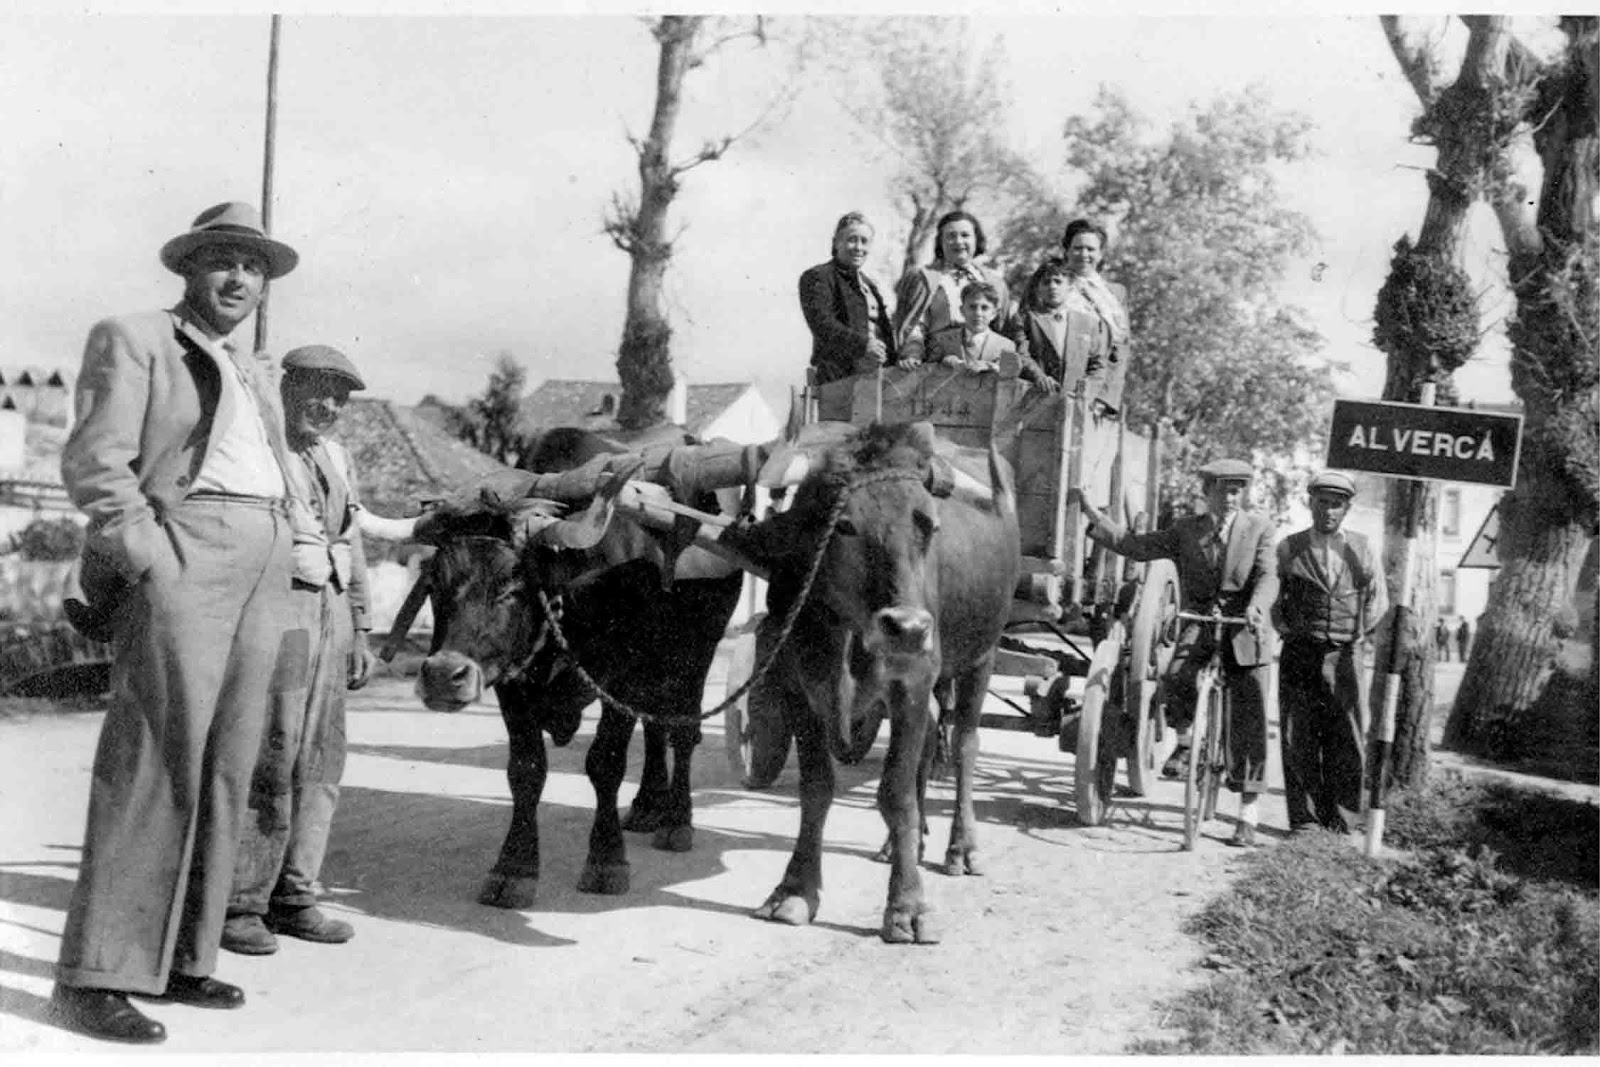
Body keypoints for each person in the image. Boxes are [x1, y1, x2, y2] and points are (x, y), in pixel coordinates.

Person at [52, 202, 307, 1044]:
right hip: (188, 549)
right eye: (223, 261)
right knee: (156, 753)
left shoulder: (249, 367)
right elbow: (97, 461)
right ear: (189, 270)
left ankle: (186, 956)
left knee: (231, 760)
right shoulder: (135, 337)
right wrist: (150, 555)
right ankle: (101, 972)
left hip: (266, 558)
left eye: (253, 266)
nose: (239, 278)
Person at [222, 345, 375, 956]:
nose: (329, 406)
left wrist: (361, 626)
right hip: (281, 611)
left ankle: (296, 895)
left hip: (330, 617)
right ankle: (241, 904)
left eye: (340, 397)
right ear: (285, 386)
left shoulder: (335, 456)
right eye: (318, 390)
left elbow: (352, 540)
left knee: (323, 757)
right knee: (275, 750)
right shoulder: (257, 447)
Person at [1071, 458, 1279, 847]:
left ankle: (1248, 812)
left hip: (1244, 624)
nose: (1231, 498)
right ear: (1207, 492)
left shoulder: (1260, 529)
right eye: (1223, 490)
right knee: (1176, 675)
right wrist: (1093, 517)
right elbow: (1138, 546)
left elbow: (1268, 575)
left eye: (1238, 490)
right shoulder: (1187, 530)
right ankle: (1185, 741)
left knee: (1249, 701)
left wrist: (1257, 607)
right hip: (1199, 620)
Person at [1271, 471, 1386, 835]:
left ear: (1347, 508)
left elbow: (1378, 601)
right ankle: (1304, 819)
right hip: (1299, 653)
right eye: (1322, 502)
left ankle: (1344, 816)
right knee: (1298, 733)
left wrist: (1353, 633)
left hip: (1345, 655)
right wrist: (1287, 629)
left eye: (1337, 504)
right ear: (1310, 503)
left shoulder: (1362, 548)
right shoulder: (1289, 548)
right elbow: (1273, 597)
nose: (1329, 510)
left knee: (1347, 734)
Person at [892, 209, 1014, 366]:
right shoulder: (925, 278)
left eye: (965, 235)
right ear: (940, 242)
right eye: (951, 236)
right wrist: (913, 354)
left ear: (976, 239)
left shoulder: (994, 281)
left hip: (985, 363)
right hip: (938, 360)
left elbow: (1004, 328)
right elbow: (915, 325)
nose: (958, 241)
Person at [1041, 219, 1130, 416]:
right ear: (1066, 251)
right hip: (1048, 389)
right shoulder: (1049, 285)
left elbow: (1120, 353)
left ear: (1101, 254)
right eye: (1077, 248)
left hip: (1095, 397)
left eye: (1090, 249)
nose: (1084, 255)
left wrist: (1104, 399)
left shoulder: (1115, 294)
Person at [798, 211, 897, 385]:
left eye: (864, 241)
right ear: (836, 242)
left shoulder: (870, 285)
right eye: (852, 239)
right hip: (838, 380)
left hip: (879, 381)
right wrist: (862, 345)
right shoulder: (817, 276)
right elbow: (822, 324)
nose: (859, 247)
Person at [925, 281, 1057, 392]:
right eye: (972, 307)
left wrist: (992, 367)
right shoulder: (941, 340)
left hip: (987, 413)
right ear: (962, 310)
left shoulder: (1006, 345)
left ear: (994, 313)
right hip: (948, 410)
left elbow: (1011, 378)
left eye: (984, 308)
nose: (978, 313)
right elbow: (926, 374)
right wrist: (945, 363)